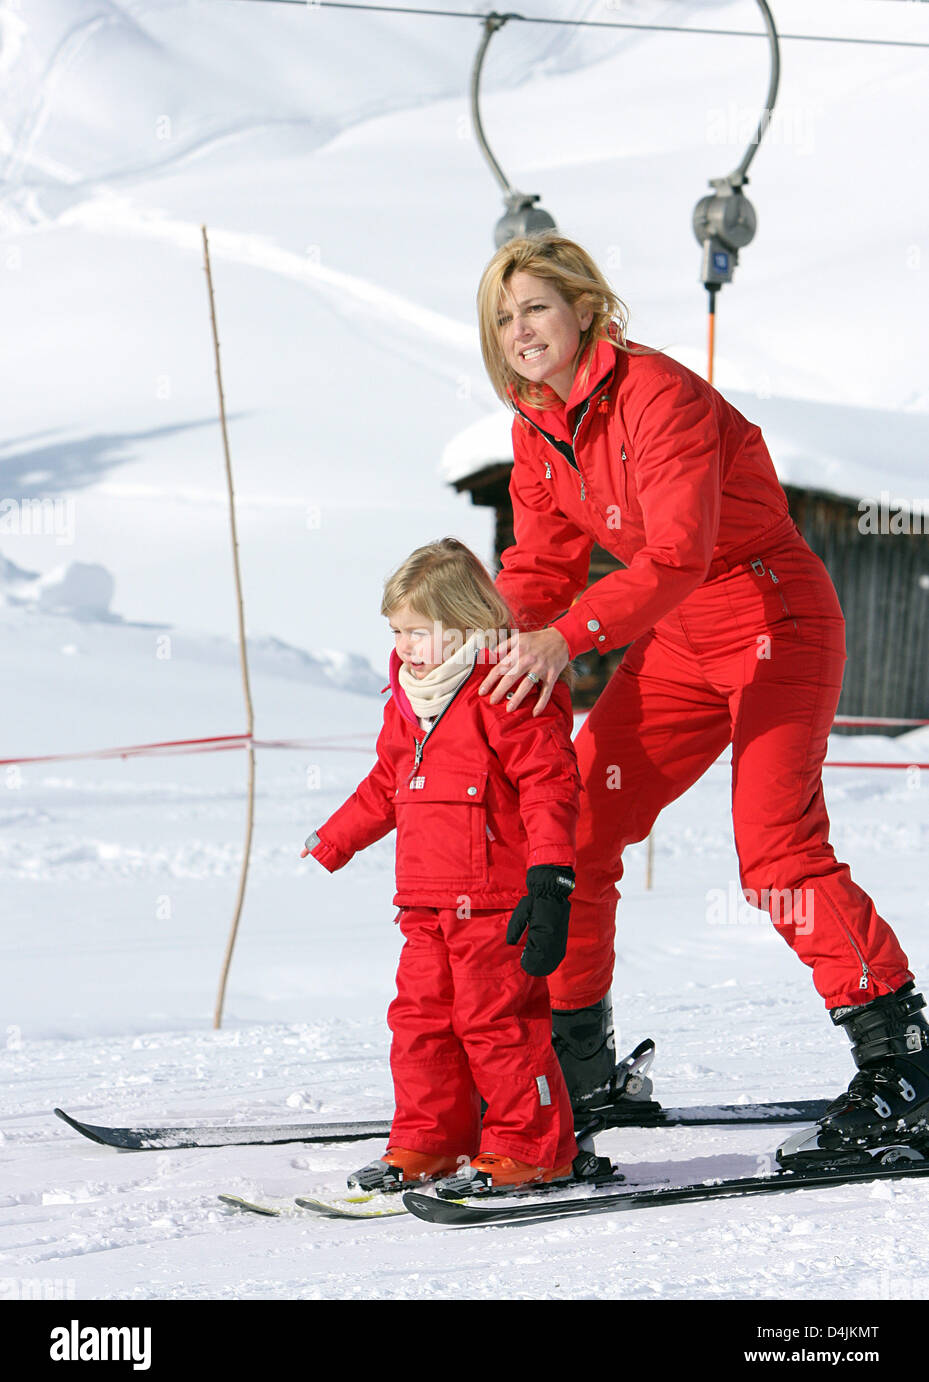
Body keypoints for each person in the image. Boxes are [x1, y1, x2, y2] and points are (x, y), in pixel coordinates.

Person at [473, 230, 929, 1164]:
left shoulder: (658, 395)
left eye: (536, 308)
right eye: (504, 316)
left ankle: (904, 1068)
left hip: (773, 616)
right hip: (678, 635)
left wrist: (568, 639)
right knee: (580, 834)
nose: (520, 330)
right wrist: (492, 643)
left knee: (775, 856)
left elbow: (677, 552)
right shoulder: (536, 426)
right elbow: (540, 565)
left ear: (585, 310)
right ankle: (582, 1068)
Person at [301, 537, 582, 1193]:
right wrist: (334, 839)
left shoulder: (506, 692)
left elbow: (549, 786)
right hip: (424, 900)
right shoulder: (407, 700)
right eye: (396, 630)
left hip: (495, 902)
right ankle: (430, 1142)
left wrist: (549, 875)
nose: (402, 645)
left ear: (464, 623)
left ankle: (532, 1148)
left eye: (416, 631)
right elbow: (386, 784)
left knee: (498, 1027)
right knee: (420, 1023)